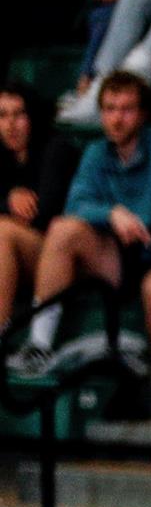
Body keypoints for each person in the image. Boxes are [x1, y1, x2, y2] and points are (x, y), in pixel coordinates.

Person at [16, 71, 151, 382]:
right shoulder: (97, 153)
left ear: (143, 113)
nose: (117, 119)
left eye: (126, 109)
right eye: (109, 109)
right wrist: (112, 213)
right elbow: (76, 205)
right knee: (64, 230)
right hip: (124, 256)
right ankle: (39, 346)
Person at [0, 82, 77, 341]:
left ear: (33, 115)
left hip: (55, 256)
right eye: (2, 115)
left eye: (19, 114)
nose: (10, 124)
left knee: (2, 231)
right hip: (16, 252)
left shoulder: (56, 149)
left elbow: (43, 214)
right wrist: (8, 199)